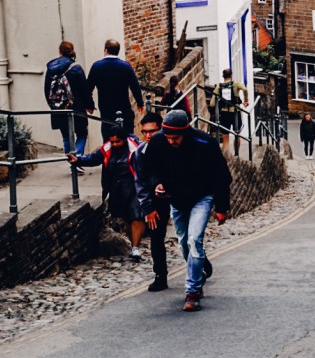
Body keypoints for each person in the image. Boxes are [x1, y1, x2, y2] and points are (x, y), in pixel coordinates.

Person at [139, 110, 231, 312]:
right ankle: (199, 273)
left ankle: (192, 291)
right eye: (168, 137)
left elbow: (222, 174)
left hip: (202, 197)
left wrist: (222, 207)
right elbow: (147, 169)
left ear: (186, 131)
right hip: (176, 199)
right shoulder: (157, 142)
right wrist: (157, 184)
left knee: (194, 239)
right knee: (183, 243)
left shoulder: (204, 143)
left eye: (176, 137)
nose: (171, 141)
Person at [67, 124, 148, 260]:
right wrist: (78, 160)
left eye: (118, 141)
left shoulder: (136, 148)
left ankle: (135, 248)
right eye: (113, 142)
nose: (115, 144)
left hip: (135, 186)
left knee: (136, 215)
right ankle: (134, 244)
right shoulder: (106, 149)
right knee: (128, 217)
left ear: (124, 139)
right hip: (117, 188)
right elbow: (94, 158)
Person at [133, 112, 173, 291]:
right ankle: (160, 276)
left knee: (189, 235)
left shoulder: (173, 146)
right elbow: (140, 182)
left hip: (179, 195)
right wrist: (148, 208)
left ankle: (201, 264)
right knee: (156, 237)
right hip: (156, 201)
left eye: (153, 131)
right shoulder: (140, 153)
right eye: (145, 132)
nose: (148, 136)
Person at [44, 41, 91, 172]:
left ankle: (71, 161)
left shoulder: (51, 69)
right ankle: (78, 159)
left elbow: (47, 90)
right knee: (82, 133)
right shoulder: (75, 68)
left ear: (60, 52)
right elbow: (84, 90)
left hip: (58, 109)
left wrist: (53, 105)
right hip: (76, 108)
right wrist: (89, 105)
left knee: (65, 136)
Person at [86, 39, 145, 141]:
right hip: (123, 107)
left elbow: (88, 88)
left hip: (106, 109)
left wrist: (89, 105)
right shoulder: (125, 66)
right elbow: (135, 86)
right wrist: (140, 103)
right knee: (127, 137)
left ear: (106, 50)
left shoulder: (97, 66)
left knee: (108, 137)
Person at [208, 68, 248, 156]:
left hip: (224, 113)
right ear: (231, 75)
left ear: (223, 76)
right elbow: (245, 89)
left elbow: (212, 103)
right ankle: (236, 154)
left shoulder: (219, 86)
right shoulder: (236, 84)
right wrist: (246, 101)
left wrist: (216, 107)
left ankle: (227, 158)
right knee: (237, 134)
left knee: (225, 137)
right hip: (235, 112)